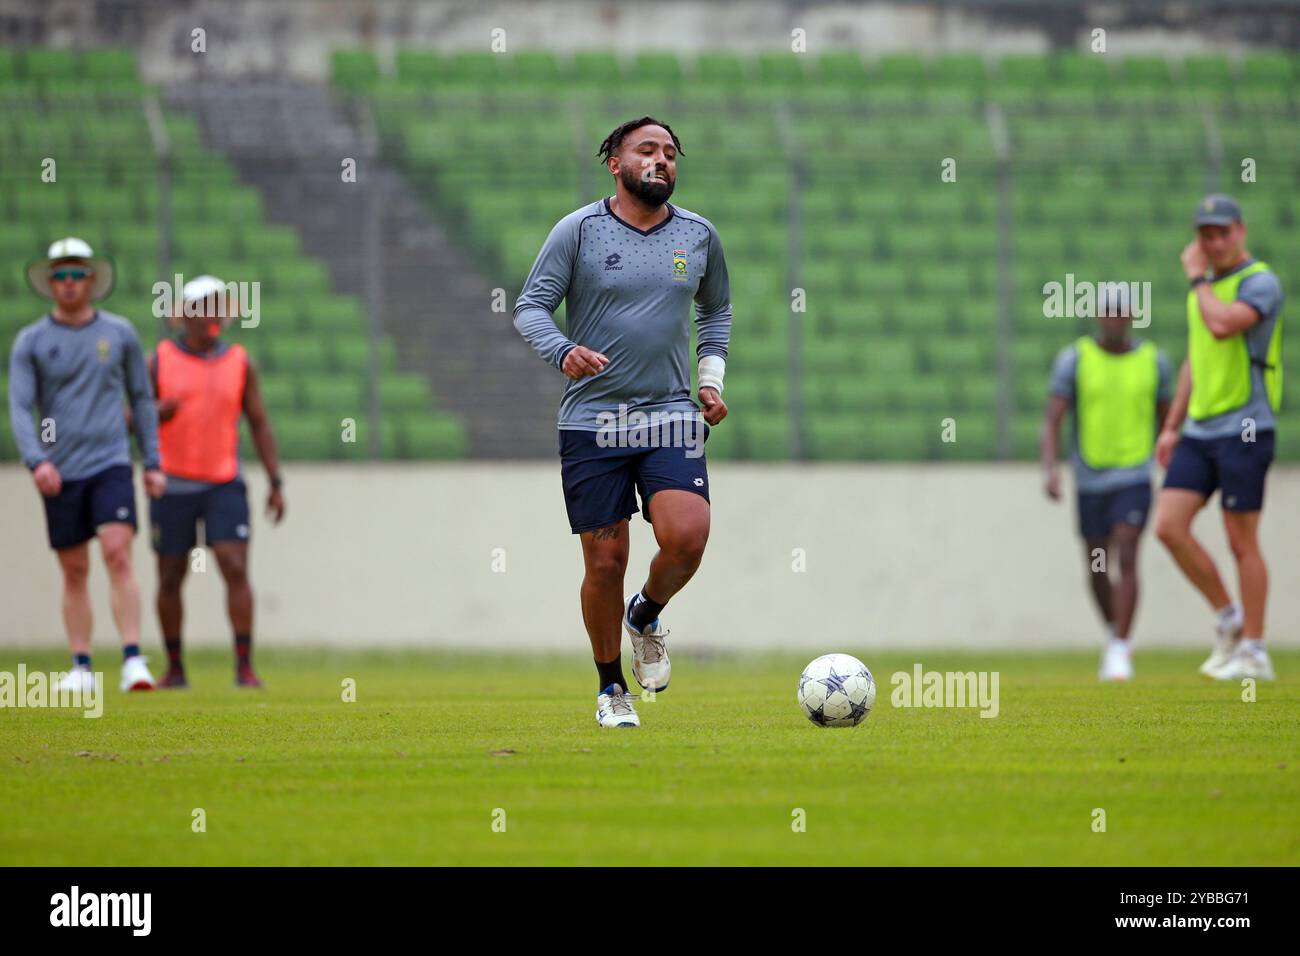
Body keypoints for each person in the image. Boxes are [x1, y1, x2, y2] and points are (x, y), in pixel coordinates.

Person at [513, 117, 732, 728]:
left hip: (668, 413)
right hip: (593, 422)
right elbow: (530, 306)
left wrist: (709, 381)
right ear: (615, 161)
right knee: (605, 563)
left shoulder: (699, 235)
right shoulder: (578, 231)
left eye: (670, 152)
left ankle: (645, 613)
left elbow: (717, 310)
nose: (661, 160)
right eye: (646, 150)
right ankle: (611, 688)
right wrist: (563, 350)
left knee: (687, 536)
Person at [8, 237, 165, 692]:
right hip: (61, 469)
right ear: (50, 284)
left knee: (118, 552)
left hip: (111, 461)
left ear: (92, 281)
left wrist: (151, 460)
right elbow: (20, 405)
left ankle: (133, 659)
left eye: (78, 274)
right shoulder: (32, 341)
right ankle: (81, 666)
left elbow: (141, 396)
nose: (70, 283)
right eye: (61, 275)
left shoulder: (119, 334)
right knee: (74, 568)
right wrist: (37, 459)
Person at [1154, 194, 1283, 681]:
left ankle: (1255, 650)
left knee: (1240, 538)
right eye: (1206, 233)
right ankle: (1229, 619)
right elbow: (1196, 356)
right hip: (1200, 429)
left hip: (1244, 427)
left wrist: (1196, 279)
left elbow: (1224, 325)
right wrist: (1172, 425)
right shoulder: (1203, 292)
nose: (1214, 242)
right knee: (1168, 525)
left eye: (1222, 232)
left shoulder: (1259, 283)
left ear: (1240, 231)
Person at [149, 275, 285, 688]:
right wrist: (155, 412)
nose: (213, 315)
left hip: (224, 481)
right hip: (174, 482)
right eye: (203, 307)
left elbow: (259, 423)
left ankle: (244, 666)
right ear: (184, 315)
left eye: (218, 307)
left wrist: (276, 481)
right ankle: (175, 667)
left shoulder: (240, 363)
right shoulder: (159, 360)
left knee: (234, 564)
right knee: (171, 575)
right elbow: (129, 416)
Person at [1042, 287, 1172, 680]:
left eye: (1121, 312)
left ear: (1132, 316)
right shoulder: (1076, 359)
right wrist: (1050, 468)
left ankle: (1120, 649)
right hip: (1090, 478)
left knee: (1129, 551)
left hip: (1134, 475)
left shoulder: (1154, 361)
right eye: (1108, 312)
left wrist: (1175, 464)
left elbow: (1168, 418)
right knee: (1098, 566)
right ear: (1099, 315)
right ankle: (1115, 632)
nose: (1114, 318)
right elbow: (1053, 418)